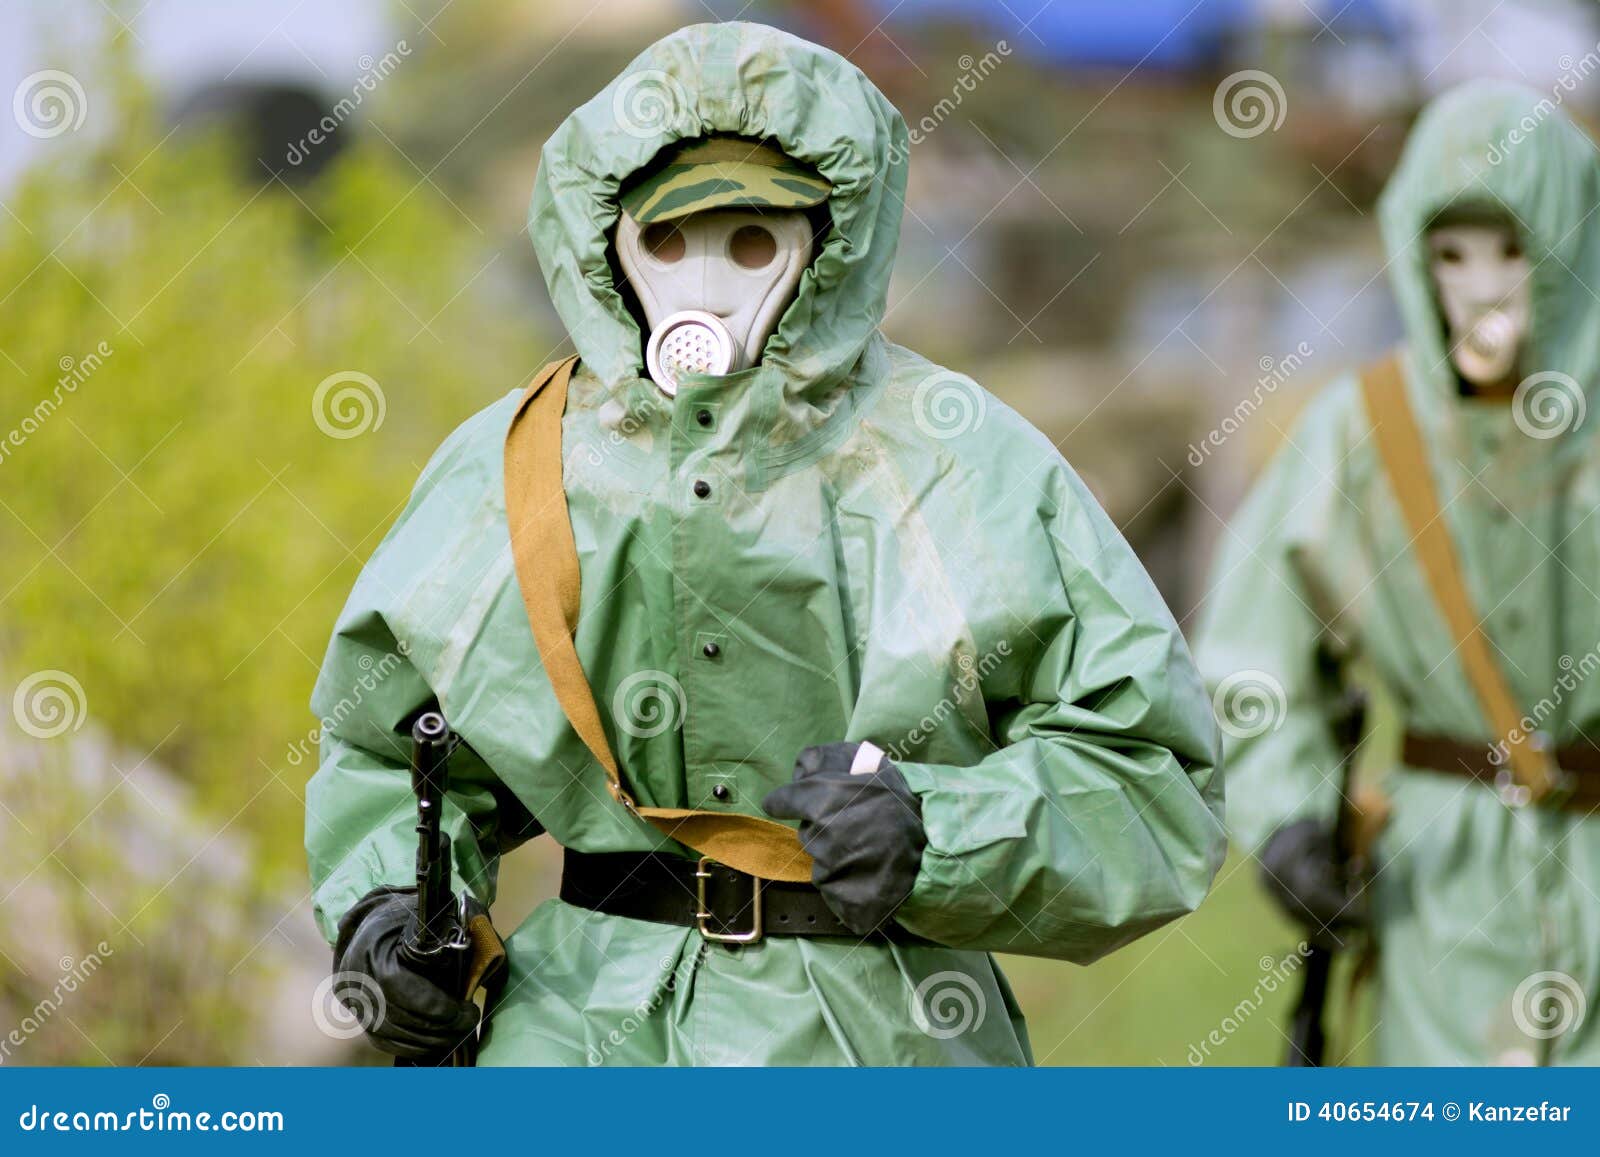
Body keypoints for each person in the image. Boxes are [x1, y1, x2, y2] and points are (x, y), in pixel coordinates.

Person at [306, 21, 1225, 1067]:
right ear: (602, 238)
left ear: (830, 242)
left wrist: (938, 830)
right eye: (668, 241)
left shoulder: (962, 460)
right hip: (576, 1028)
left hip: (875, 1035)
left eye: (752, 240)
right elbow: (390, 742)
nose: (707, 282)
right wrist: (389, 905)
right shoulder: (516, 462)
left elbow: (1151, 778)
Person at [1197, 80, 1600, 1065]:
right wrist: (1288, 816)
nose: (1483, 284)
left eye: (1512, 248)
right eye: (1450, 252)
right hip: (1436, 882)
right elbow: (1254, 653)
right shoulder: (1359, 432)